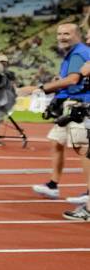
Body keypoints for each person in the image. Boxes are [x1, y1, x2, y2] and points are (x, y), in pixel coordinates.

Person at [26, 22, 90, 212]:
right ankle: (53, 185)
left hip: (79, 104)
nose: (61, 37)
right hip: (71, 103)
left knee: (83, 148)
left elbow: (73, 80)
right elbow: (72, 81)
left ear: (75, 35)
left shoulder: (79, 53)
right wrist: (58, 99)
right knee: (57, 142)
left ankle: (88, 193)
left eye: (66, 34)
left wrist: (42, 89)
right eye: (59, 34)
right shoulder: (74, 54)